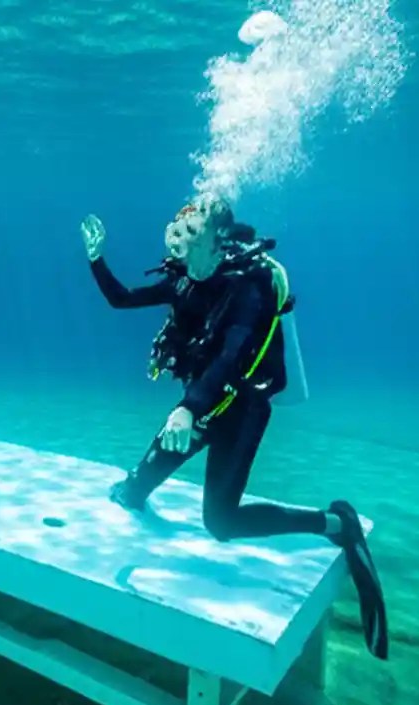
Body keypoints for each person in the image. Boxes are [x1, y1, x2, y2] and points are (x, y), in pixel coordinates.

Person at [80, 195, 388, 661]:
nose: (178, 236)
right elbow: (121, 298)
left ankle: (336, 523)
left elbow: (230, 357)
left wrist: (186, 409)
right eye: (179, 225)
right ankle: (153, 469)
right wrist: (95, 257)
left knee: (220, 522)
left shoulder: (249, 290)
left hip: (240, 408)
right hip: (200, 406)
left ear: (218, 241)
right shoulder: (182, 278)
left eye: (191, 229)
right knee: (133, 491)